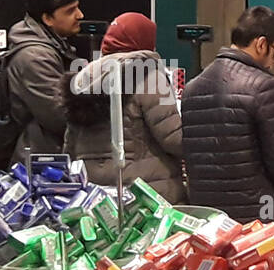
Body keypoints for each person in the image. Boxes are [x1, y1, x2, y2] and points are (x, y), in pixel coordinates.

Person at [180, 6, 274, 221]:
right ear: (261, 44)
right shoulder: (263, 86)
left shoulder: (191, 89)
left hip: (208, 217)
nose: (271, 63)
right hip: (256, 217)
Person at [62, 13, 186, 202]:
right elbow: (173, 139)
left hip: (96, 193)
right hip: (146, 192)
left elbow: (69, 147)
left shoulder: (81, 79)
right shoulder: (148, 74)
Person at [5, 0, 84, 164]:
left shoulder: (53, 46)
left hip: (49, 157)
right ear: (47, 18)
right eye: (70, 11)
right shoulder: (34, 57)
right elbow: (58, 116)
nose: (80, 15)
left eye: (77, 7)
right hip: (42, 165)